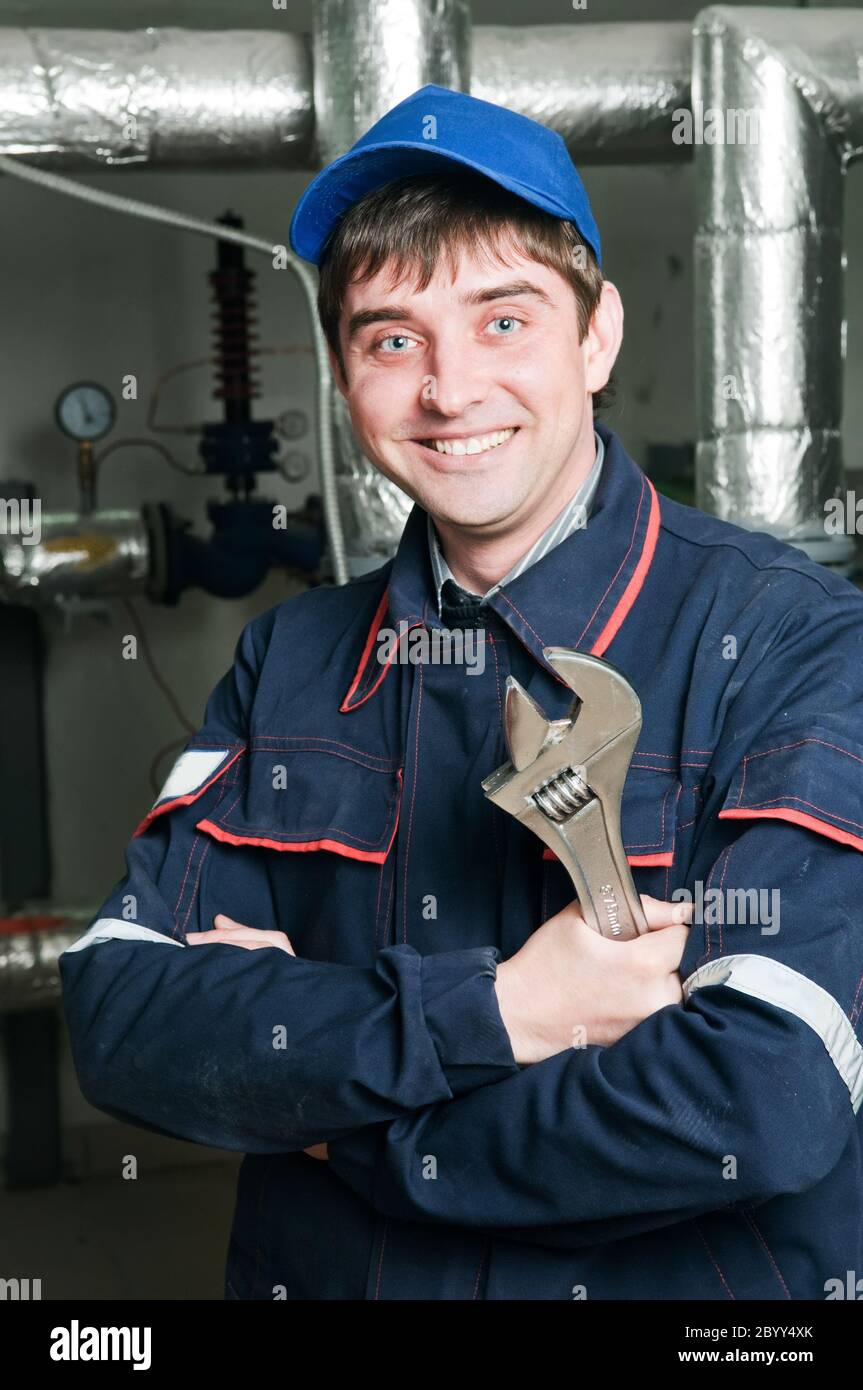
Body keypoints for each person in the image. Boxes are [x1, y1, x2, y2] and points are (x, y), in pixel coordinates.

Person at [60, 85, 863, 1301]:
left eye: (503, 320)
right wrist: (505, 1012)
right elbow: (125, 1021)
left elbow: (762, 1097)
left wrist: (346, 1128)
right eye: (392, 339)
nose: (447, 390)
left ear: (595, 336)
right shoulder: (290, 660)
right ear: (344, 376)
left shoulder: (794, 643)